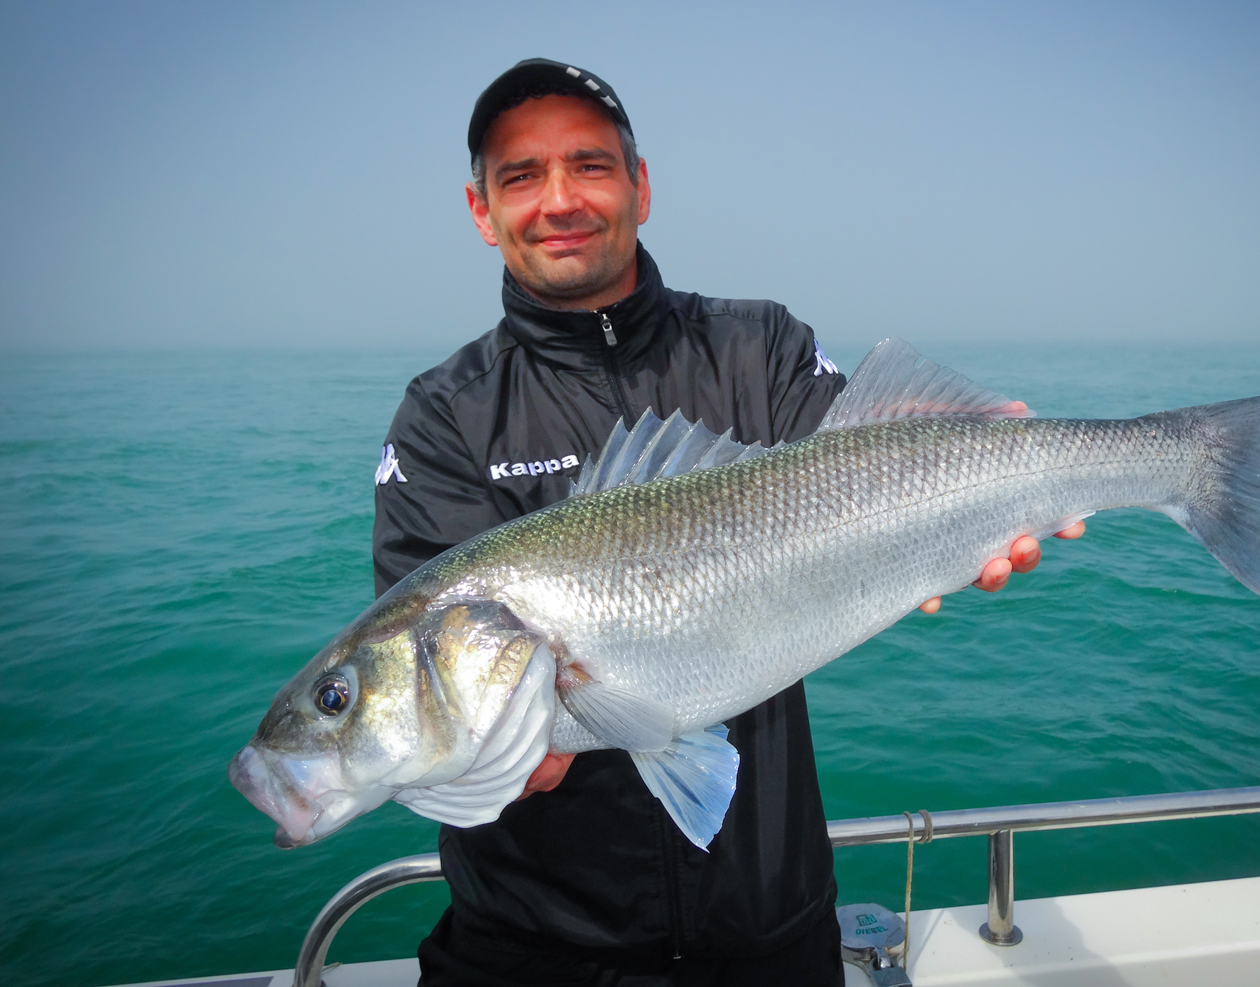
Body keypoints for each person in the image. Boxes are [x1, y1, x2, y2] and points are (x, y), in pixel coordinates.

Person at [372, 59, 1082, 987]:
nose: (559, 200)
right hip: (533, 953)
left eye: (590, 166)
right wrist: (486, 761)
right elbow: (437, 681)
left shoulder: (758, 347)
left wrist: (974, 503)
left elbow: (877, 462)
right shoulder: (444, 418)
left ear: (640, 186)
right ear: (480, 211)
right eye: (520, 176)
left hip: (770, 934)